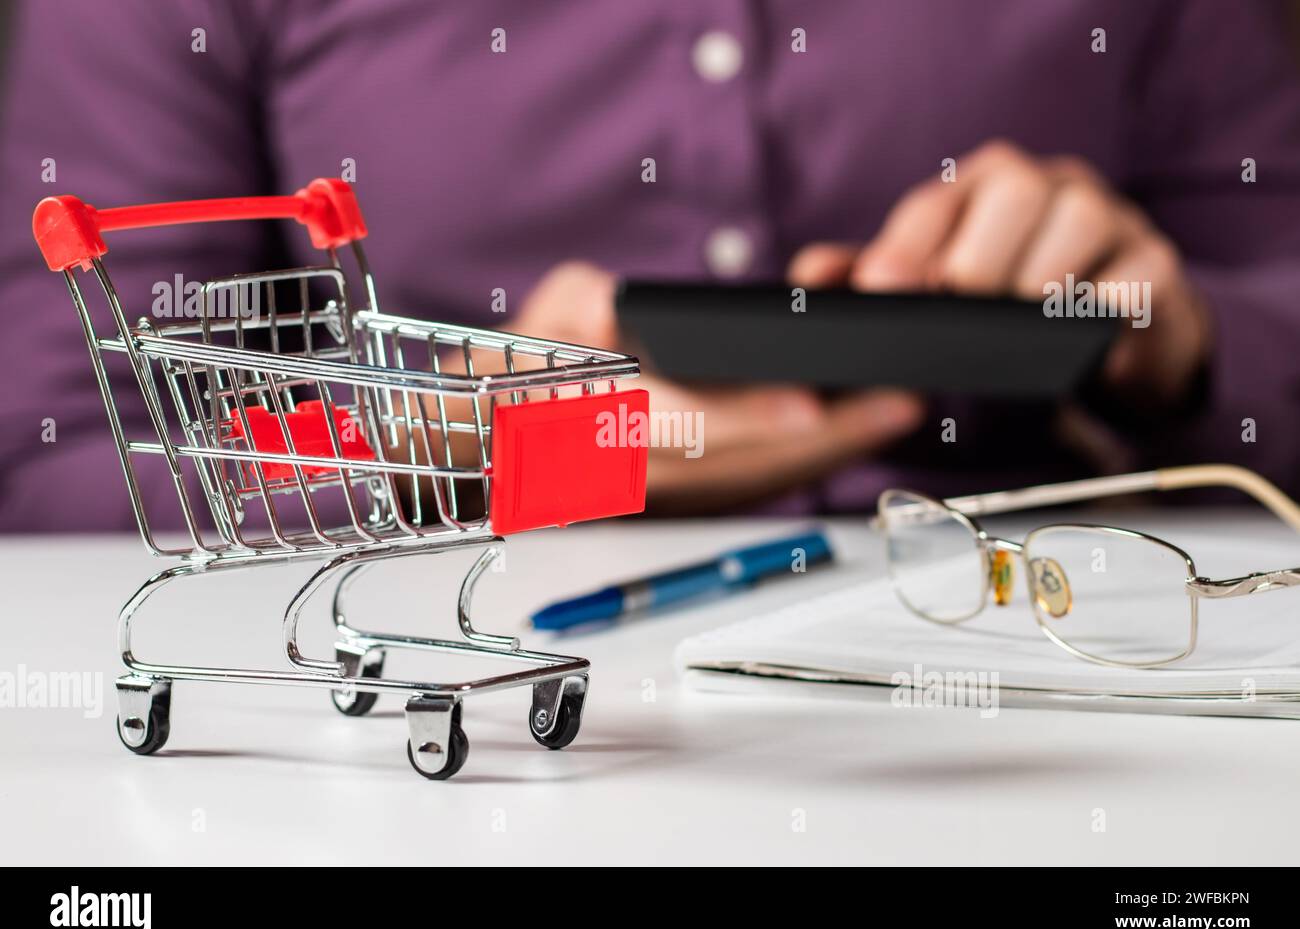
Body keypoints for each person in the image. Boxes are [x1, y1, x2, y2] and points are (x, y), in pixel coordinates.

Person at [2, 0, 1299, 532]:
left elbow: (1273, 310)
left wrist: (1170, 340)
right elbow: (53, 451)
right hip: (460, 663)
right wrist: (464, 443)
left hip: (1058, 625)